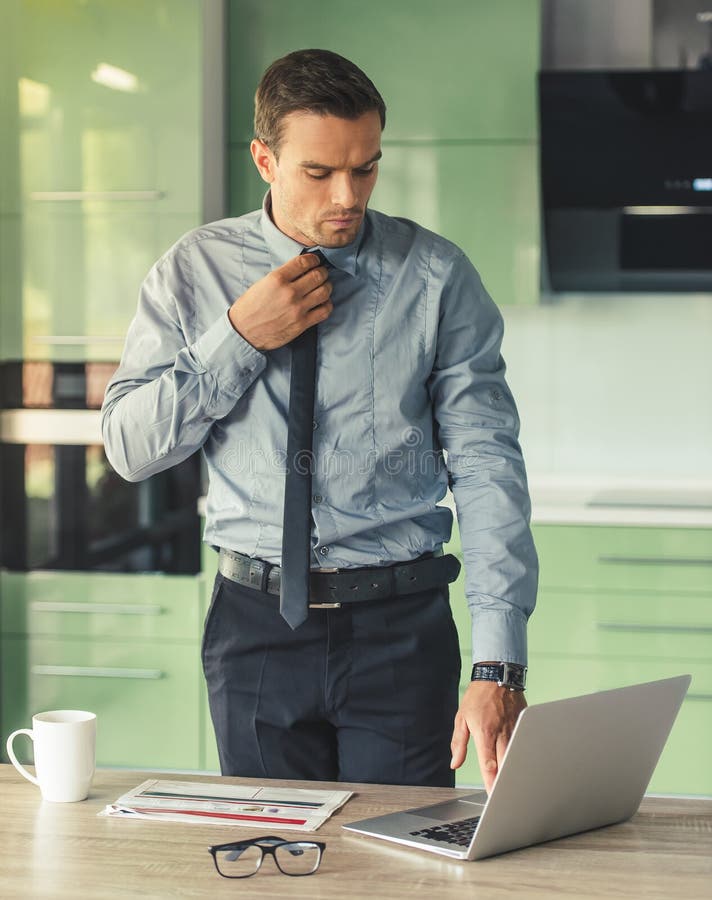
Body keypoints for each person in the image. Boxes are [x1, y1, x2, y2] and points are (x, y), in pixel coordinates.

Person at [101, 48, 538, 792]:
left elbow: (488, 466)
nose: (349, 194)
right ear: (265, 159)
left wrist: (498, 663)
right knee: (272, 864)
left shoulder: (436, 279)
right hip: (254, 630)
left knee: (402, 862)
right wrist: (238, 337)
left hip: (401, 628)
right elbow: (130, 447)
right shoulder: (193, 272)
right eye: (319, 172)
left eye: (365, 167)